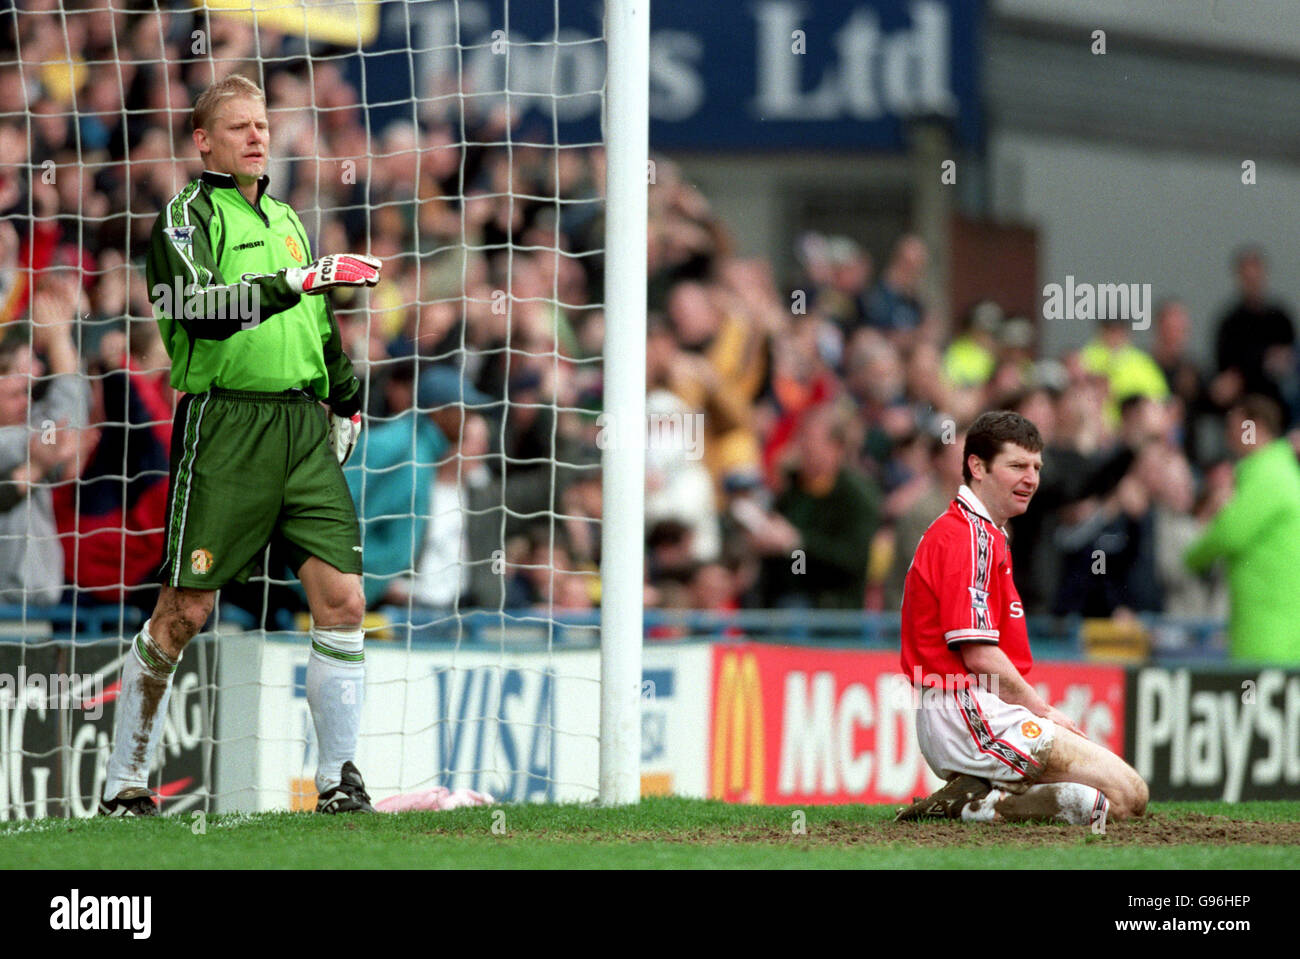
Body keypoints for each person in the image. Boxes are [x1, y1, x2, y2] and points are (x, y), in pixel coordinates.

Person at [100, 75, 383, 817]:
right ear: (203, 140)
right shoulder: (184, 220)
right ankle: (125, 781)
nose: (257, 137)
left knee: (345, 599)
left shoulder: (288, 216)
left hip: (301, 428)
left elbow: (318, 324)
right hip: (225, 426)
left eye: (262, 125)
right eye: (238, 128)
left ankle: (338, 780)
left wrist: (348, 395)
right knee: (186, 612)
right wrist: (293, 279)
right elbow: (200, 313)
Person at [896, 411, 1148, 824]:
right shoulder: (969, 536)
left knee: (1098, 804)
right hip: (966, 713)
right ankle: (967, 804)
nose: (1031, 478)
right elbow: (977, 655)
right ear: (977, 466)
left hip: (967, 710)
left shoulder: (983, 532)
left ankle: (980, 798)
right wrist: (1042, 710)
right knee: (1129, 794)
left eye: (1036, 467)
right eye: (1017, 465)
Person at [1185, 395, 1300, 663]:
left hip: (1269, 626)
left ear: (1256, 427)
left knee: (1257, 697)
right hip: (1277, 620)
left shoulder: (1267, 474)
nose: (1228, 437)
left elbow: (1229, 533)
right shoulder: (1281, 470)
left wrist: (1190, 557)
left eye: (1234, 428)